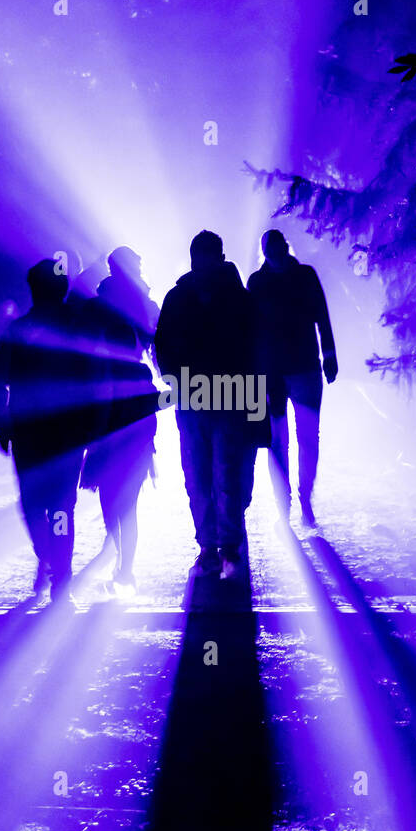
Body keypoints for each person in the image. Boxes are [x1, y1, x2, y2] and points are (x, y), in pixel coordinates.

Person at [0, 258, 96, 599]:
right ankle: (60, 573)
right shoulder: (78, 330)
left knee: (33, 503)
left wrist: (2, 425)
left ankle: (49, 559)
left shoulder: (17, 331)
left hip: (28, 431)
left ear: (33, 289)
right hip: (69, 433)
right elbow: (94, 383)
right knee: (62, 504)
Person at [155, 230, 257, 580]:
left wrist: (174, 383)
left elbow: (163, 346)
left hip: (204, 400)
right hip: (224, 398)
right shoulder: (238, 298)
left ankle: (215, 546)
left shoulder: (180, 297)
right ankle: (220, 546)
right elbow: (253, 350)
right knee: (211, 475)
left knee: (207, 474)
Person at [81, 247, 159, 593]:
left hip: (104, 405)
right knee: (129, 495)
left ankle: (120, 561)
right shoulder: (144, 305)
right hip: (137, 403)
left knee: (111, 493)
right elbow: (161, 349)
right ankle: (124, 566)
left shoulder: (95, 307)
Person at [247, 228, 338, 528]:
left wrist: (329, 356)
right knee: (298, 438)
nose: (275, 255)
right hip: (294, 368)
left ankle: (292, 501)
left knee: (287, 439)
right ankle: (297, 500)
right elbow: (322, 317)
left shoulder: (258, 282)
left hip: (280, 370)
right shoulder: (302, 276)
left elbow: (321, 316)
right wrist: (329, 356)